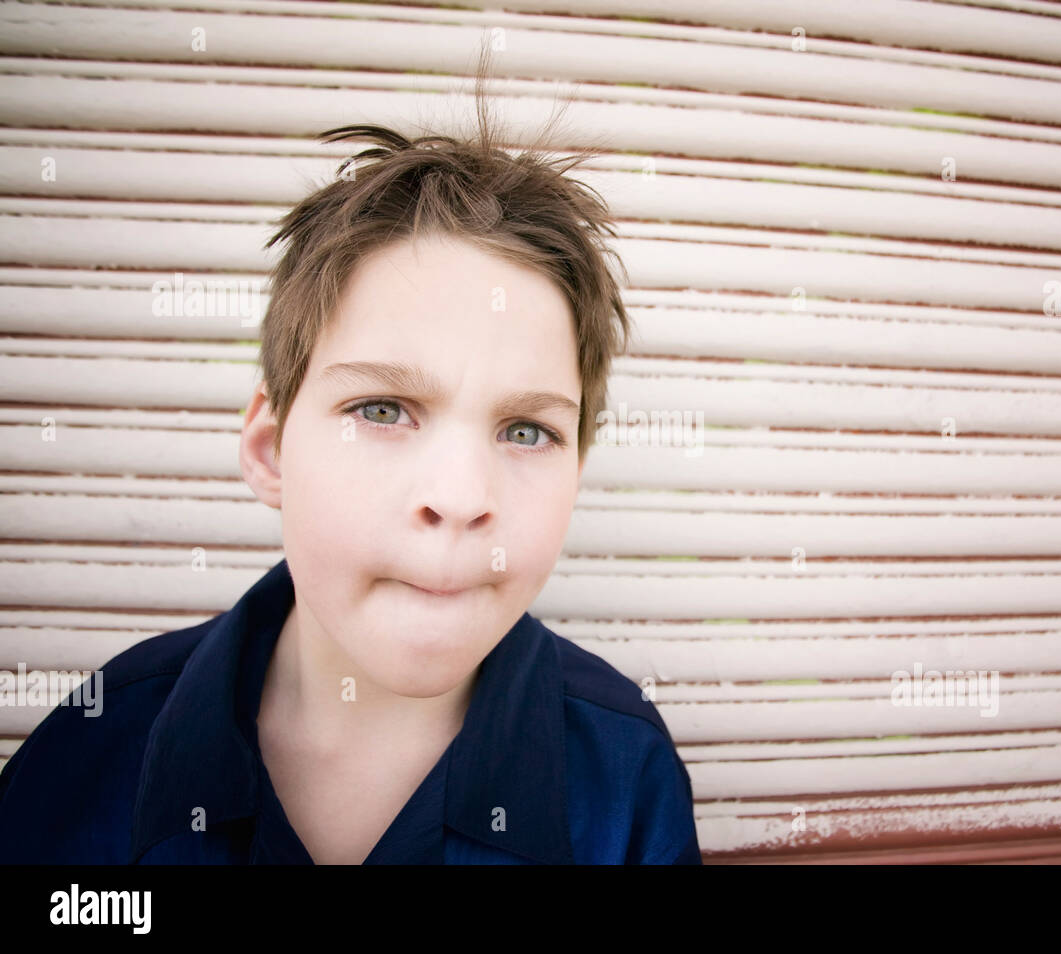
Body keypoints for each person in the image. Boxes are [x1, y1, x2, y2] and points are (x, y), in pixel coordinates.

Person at [0, 49, 702, 865]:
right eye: (381, 410)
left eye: (525, 431)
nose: (461, 496)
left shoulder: (627, 775)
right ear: (270, 452)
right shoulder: (93, 745)